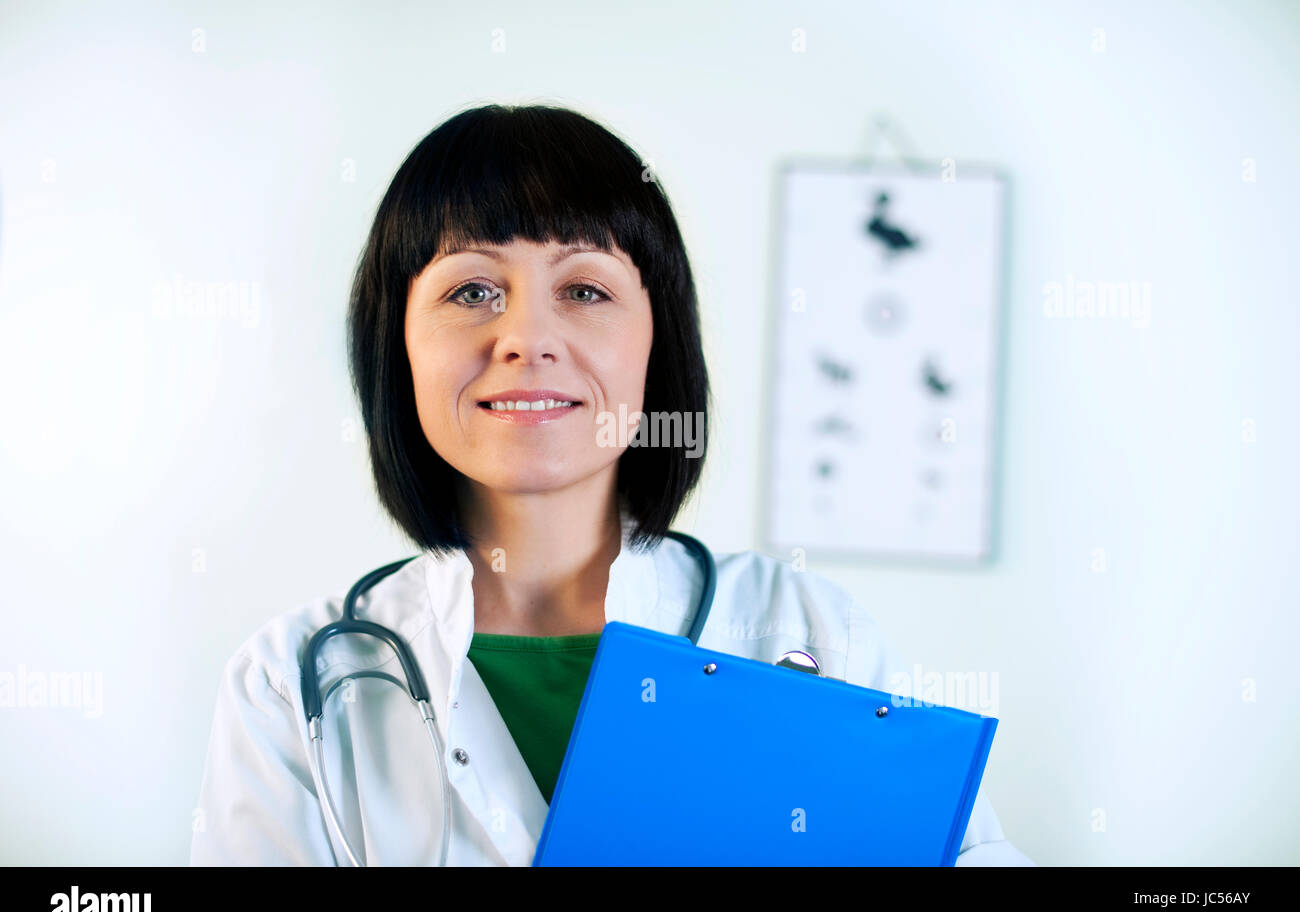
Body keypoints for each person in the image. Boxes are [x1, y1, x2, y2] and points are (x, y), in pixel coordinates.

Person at [189, 102, 1033, 866]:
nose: (526, 336)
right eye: (472, 289)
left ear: (655, 348)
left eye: (585, 289)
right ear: (396, 347)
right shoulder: (286, 685)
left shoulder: (807, 635)